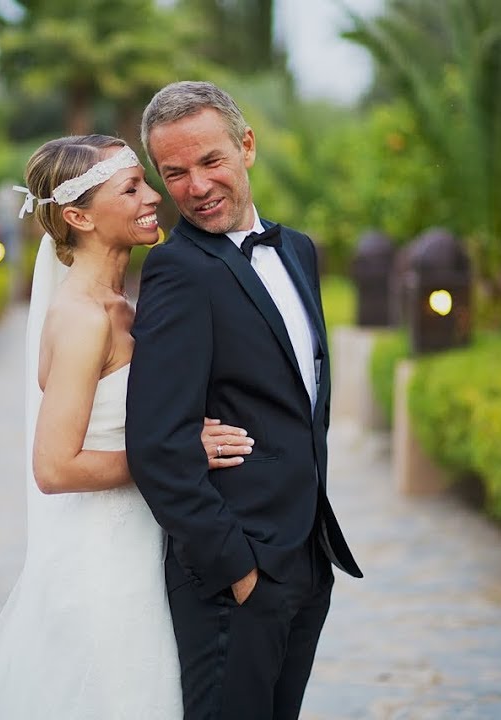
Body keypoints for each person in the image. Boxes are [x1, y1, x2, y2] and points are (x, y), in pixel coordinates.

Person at [0, 134, 255, 720]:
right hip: (103, 566)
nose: (154, 198)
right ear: (78, 216)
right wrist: (175, 454)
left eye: (145, 182)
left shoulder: (122, 307)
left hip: (143, 544)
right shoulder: (84, 319)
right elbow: (54, 467)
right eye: (131, 188)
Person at [125, 80, 364, 720]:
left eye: (210, 161)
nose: (197, 187)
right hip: (236, 577)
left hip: (308, 561)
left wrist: (306, 558)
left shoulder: (298, 251)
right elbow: (156, 445)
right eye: (174, 173)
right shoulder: (178, 271)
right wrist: (239, 571)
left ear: (247, 147)